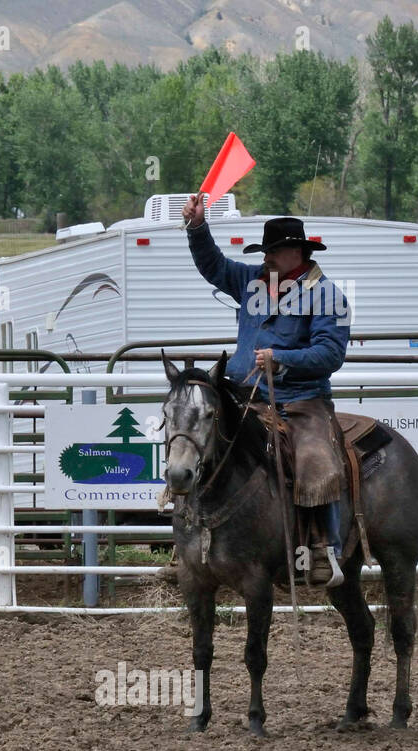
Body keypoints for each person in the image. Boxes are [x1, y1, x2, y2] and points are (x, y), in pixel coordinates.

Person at [180, 194, 351, 587]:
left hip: (302, 401)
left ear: (297, 252)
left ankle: (325, 549)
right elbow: (213, 265)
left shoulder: (330, 297)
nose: (267, 257)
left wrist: (284, 359)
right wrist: (197, 229)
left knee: (315, 457)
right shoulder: (252, 280)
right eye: (266, 251)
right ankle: (188, 543)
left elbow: (330, 353)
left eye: (274, 251)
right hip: (246, 396)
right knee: (199, 439)